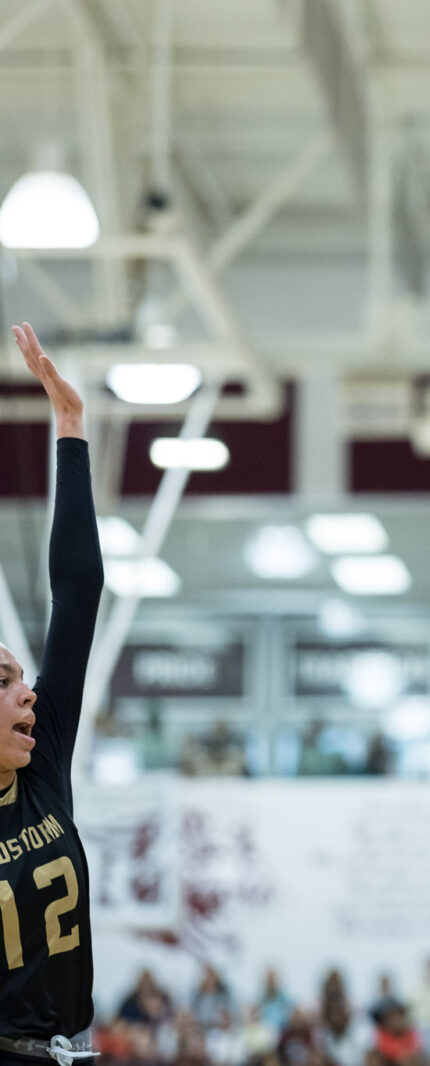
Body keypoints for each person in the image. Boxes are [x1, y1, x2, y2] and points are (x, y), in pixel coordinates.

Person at [0, 325, 104, 1066]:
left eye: (21, 680)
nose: (27, 695)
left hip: (73, 1051)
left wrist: (69, 430)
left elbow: (77, 592)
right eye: (4, 684)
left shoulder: (43, 768)